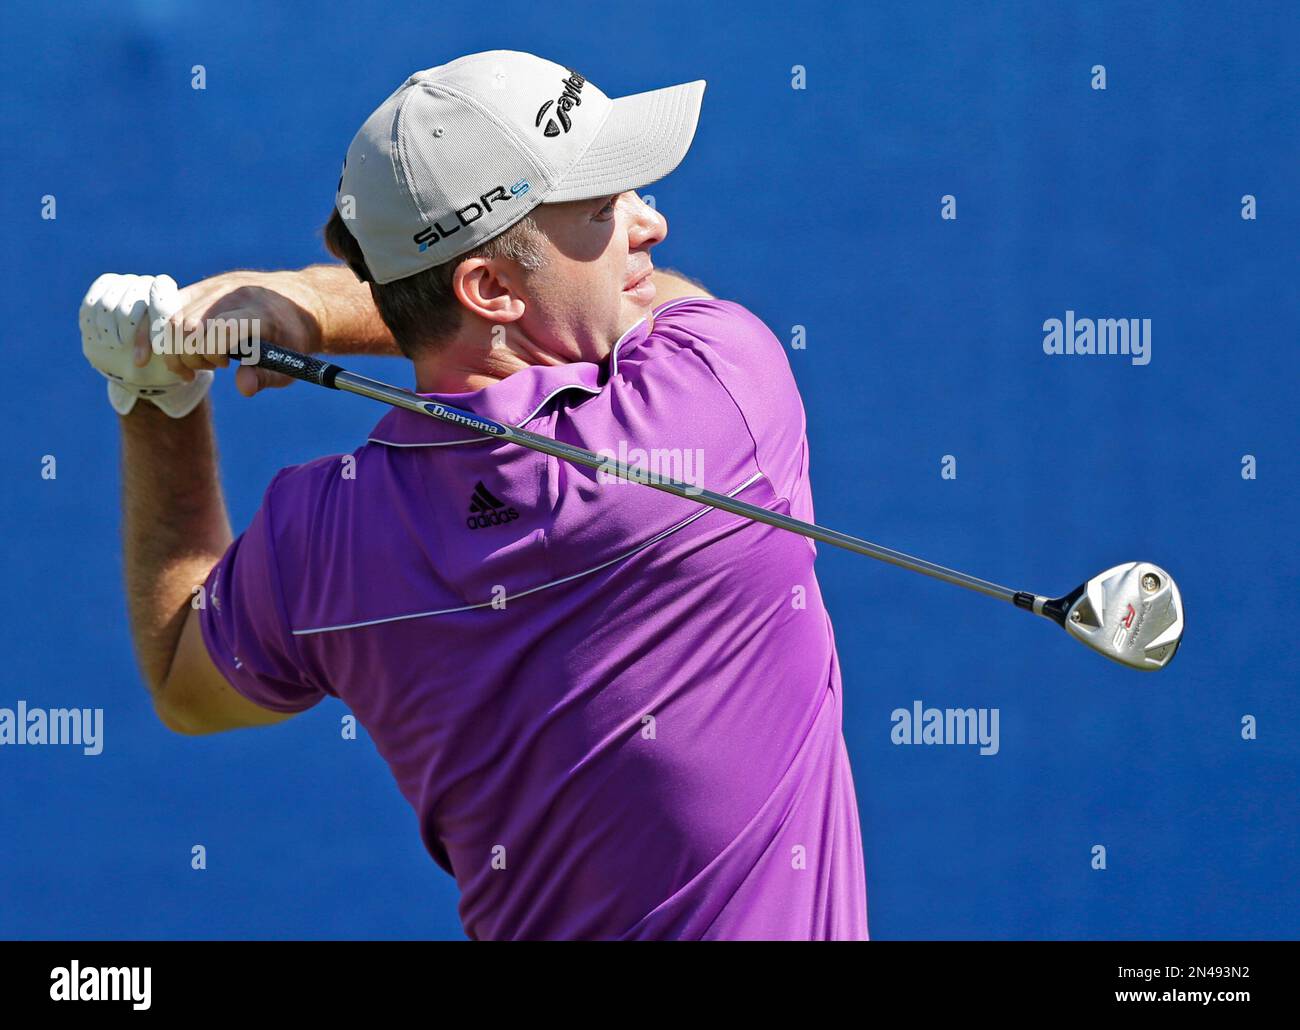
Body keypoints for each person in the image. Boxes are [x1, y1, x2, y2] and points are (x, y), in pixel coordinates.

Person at [79, 50, 868, 940]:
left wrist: (154, 400)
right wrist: (314, 306)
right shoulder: (719, 397)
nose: (650, 223)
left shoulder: (320, 538)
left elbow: (187, 681)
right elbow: (672, 304)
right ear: (489, 288)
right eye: (604, 208)